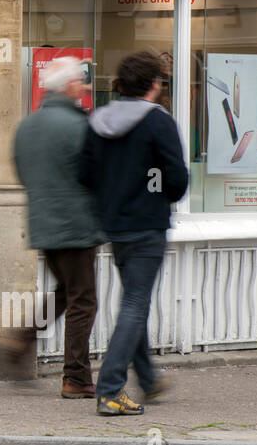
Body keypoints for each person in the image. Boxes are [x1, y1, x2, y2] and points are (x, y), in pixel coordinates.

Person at [79, 50, 189, 416]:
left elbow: (84, 175)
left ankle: (149, 380)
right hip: (147, 225)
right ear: (155, 84)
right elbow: (177, 179)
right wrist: (158, 195)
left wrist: (111, 197)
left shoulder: (98, 120)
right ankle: (110, 389)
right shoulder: (159, 122)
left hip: (113, 225)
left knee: (132, 300)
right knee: (135, 303)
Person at [11, 57, 105, 398]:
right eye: (81, 82)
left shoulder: (27, 126)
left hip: (44, 223)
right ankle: (76, 378)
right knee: (84, 300)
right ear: (68, 87)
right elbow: (95, 174)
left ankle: (20, 339)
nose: (85, 87)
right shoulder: (79, 125)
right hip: (77, 224)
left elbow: (23, 173)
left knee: (66, 292)